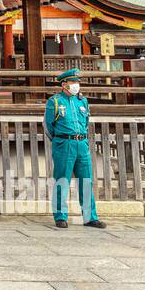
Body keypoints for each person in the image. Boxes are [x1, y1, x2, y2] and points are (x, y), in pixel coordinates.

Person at [43, 68, 105, 229]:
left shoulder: (82, 102)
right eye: (73, 82)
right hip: (65, 143)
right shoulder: (55, 101)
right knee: (62, 179)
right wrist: (61, 139)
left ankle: (90, 216)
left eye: (77, 82)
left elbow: (85, 122)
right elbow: (49, 126)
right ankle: (60, 215)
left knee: (86, 180)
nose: (76, 85)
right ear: (64, 84)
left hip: (82, 143)